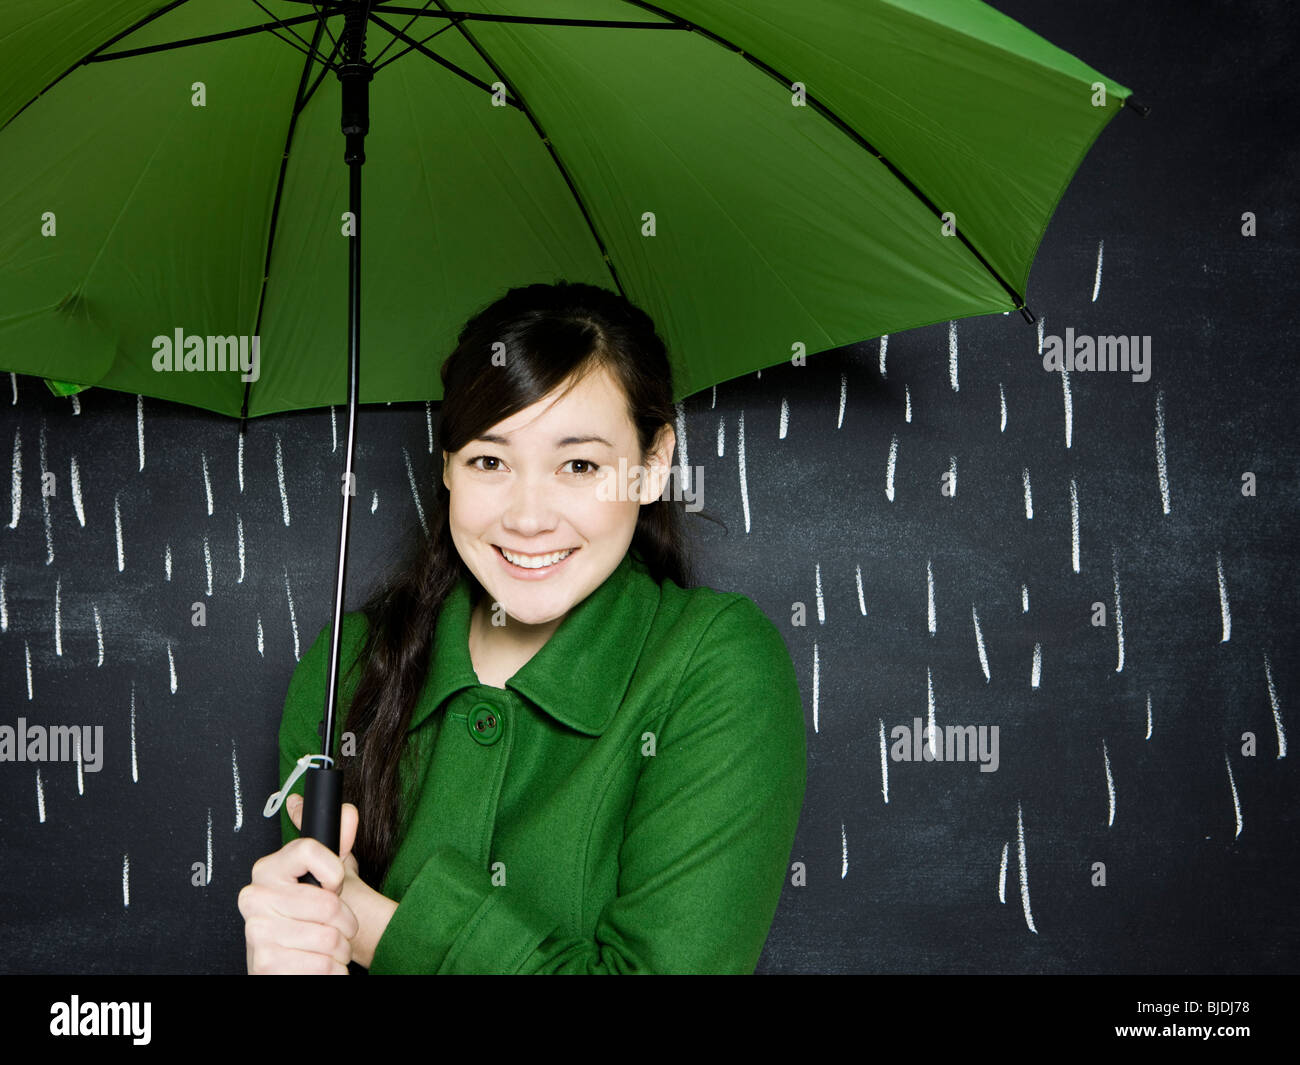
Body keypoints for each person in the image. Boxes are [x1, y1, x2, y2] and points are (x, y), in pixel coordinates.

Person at [238, 280, 807, 974]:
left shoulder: (717, 666)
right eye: (488, 460)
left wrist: (374, 927)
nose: (528, 516)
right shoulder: (345, 669)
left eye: (579, 464)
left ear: (654, 464)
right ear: (446, 465)